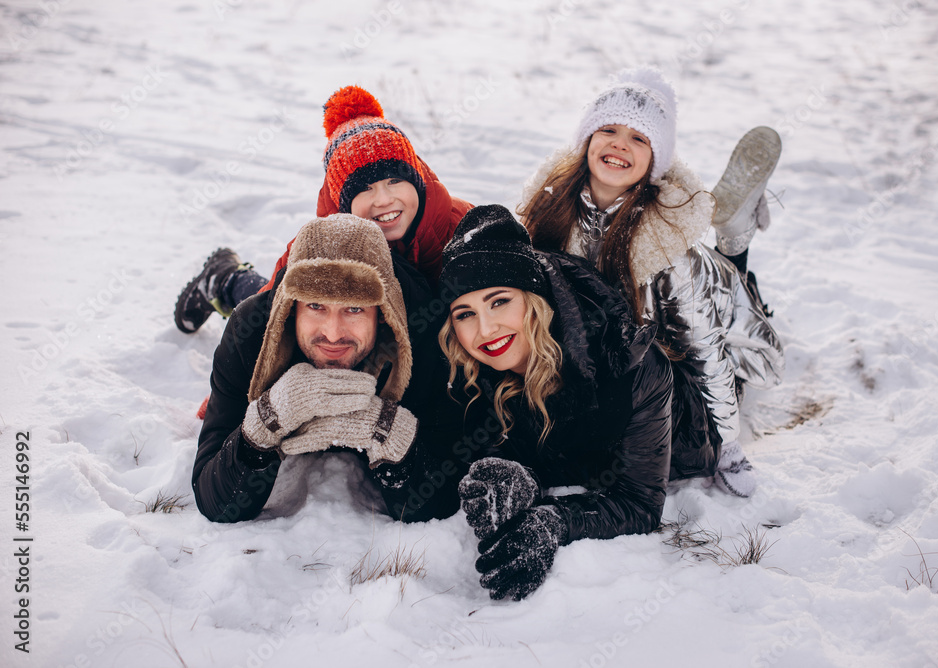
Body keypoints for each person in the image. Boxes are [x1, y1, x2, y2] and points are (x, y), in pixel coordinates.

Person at [519, 66, 785, 498]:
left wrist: (728, 444)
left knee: (690, 438)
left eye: (639, 138)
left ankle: (735, 241)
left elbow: (704, 347)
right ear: (586, 140)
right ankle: (730, 252)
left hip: (688, 338)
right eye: (608, 129)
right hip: (609, 345)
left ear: (654, 162)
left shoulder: (665, 247)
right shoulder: (550, 209)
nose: (620, 143)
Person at [432, 204, 720, 601]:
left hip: (690, 423)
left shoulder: (629, 365)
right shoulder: (473, 370)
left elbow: (639, 503)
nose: (485, 329)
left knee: (735, 349)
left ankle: (733, 255)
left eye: (500, 302)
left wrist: (555, 522)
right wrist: (516, 479)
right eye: (465, 313)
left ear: (533, 301)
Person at [191, 214, 444, 523]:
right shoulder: (249, 333)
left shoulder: (423, 334)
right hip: (263, 306)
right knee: (250, 294)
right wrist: (264, 423)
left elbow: (437, 505)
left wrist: (392, 435)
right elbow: (213, 500)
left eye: (354, 309)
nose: (334, 333)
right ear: (291, 306)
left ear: (382, 312)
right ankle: (226, 278)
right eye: (315, 306)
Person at [174, 85, 472, 335]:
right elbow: (267, 329)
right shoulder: (322, 247)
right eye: (364, 188)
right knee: (284, 310)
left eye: (395, 180)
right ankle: (226, 280)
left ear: (417, 180)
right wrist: (227, 402)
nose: (383, 199)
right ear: (344, 204)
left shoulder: (461, 226)